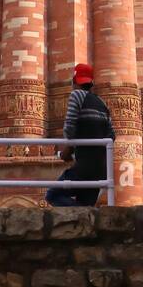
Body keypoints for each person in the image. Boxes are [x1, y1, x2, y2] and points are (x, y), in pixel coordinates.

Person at [45, 62, 116, 208]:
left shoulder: (76, 95)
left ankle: (83, 213)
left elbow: (69, 127)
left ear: (74, 81)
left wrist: (68, 150)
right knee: (86, 206)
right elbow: (112, 136)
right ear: (91, 82)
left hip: (84, 167)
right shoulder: (101, 102)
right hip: (101, 169)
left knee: (53, 195)